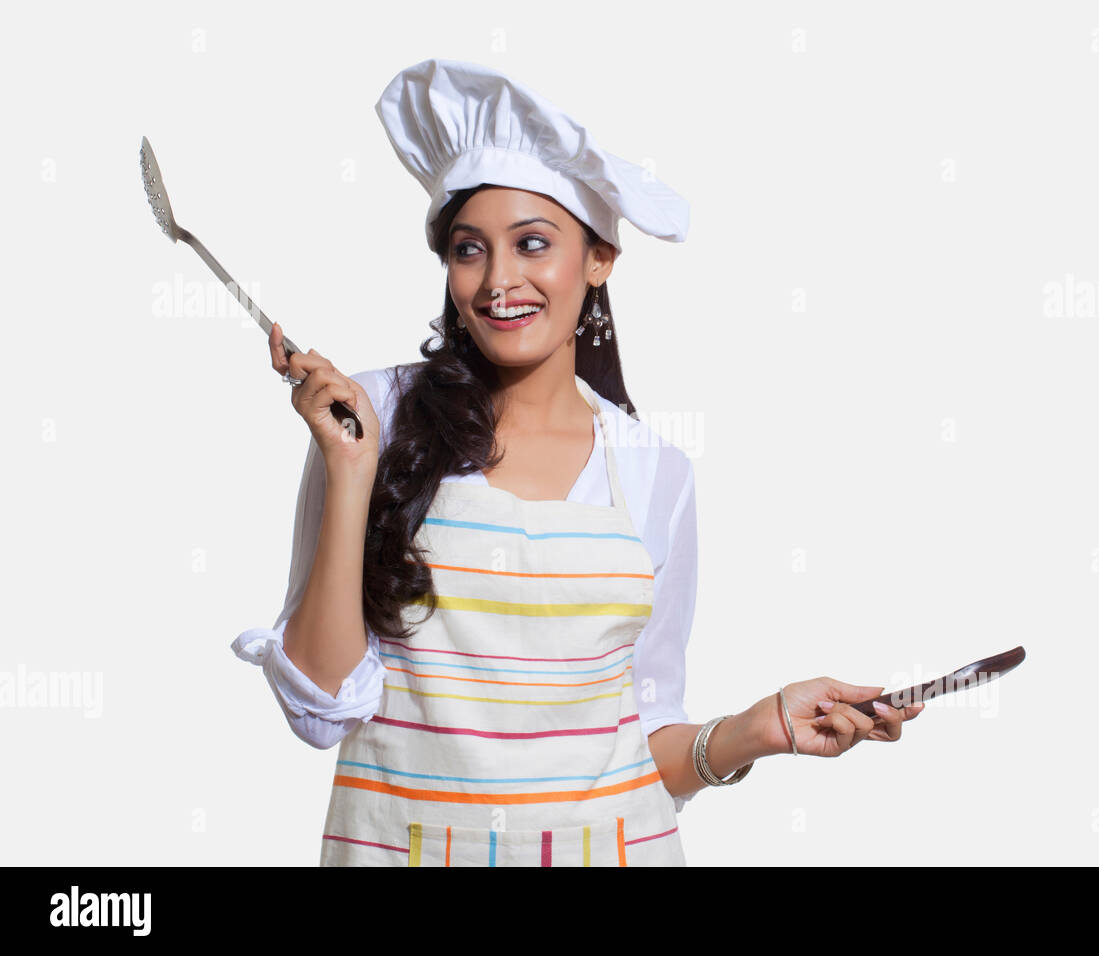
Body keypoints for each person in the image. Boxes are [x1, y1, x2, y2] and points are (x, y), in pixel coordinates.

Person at [231, 57, 923, 867]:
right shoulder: (373, 417)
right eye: (467, 249)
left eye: (533, 244)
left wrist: (760, 728)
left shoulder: (654, 470)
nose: (499, 282)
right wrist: (352, 473)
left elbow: (642, 742)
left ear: (599, 260)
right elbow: (320, 711)